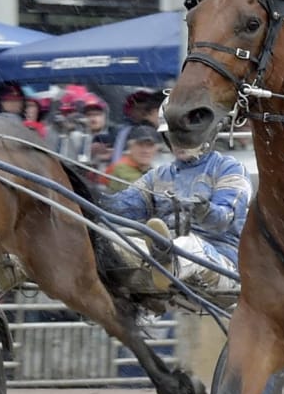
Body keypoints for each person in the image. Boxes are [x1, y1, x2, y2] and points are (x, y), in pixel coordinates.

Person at [102, 126, 251, 295]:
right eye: (173, 136)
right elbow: (120, 207)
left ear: (206, 135)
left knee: (189, 244)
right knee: (112, 242)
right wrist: (83, 194)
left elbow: (224, 219)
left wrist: (205, 211)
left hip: (222, 264)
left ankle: (166, 264)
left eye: (185, 135)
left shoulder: (229, 168)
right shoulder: (157, 176)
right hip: (165, 254)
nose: (178, 142)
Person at [106, 124, 163, 192]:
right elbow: (140, 190)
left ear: (156, 149)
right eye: (140, 145)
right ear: (130, 147)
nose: (145, 151)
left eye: (150, 146)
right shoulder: (120, 168)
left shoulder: (151, 169)